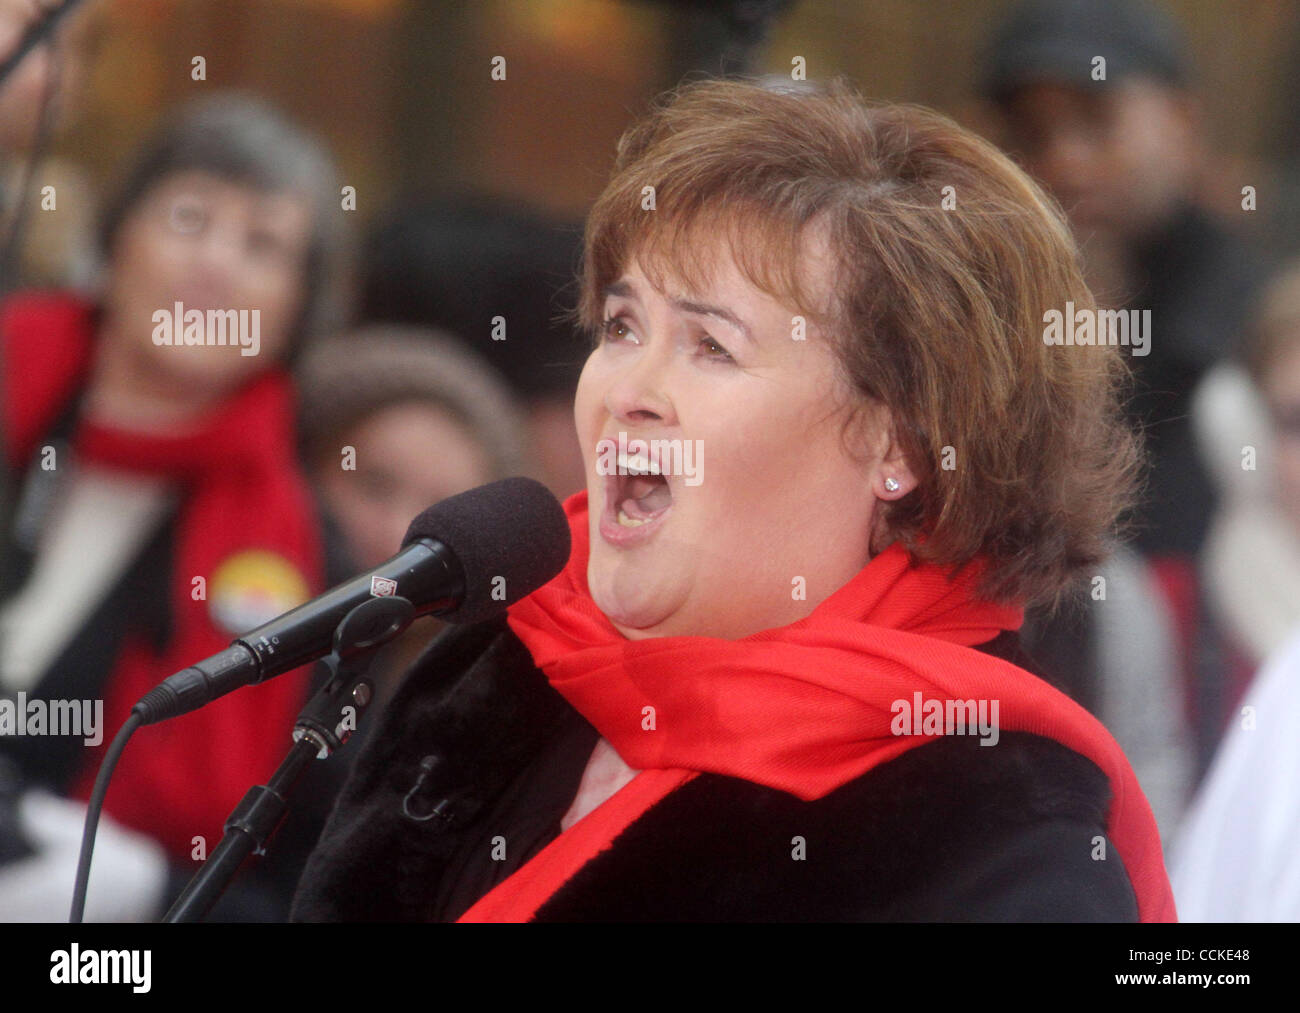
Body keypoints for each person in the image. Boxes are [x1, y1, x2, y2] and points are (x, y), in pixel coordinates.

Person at [291, 77, 1175, 922]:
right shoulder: (498, 661)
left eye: (710, 345)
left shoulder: (992, 821)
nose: (627, 387)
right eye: (623, 324)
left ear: (898, 443)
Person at [0, 92, 349, 920]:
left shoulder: (311, 562)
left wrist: (144, 897)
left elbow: (301, 886)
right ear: (115, 238)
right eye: (190, 218)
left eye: (263, 243)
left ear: (299, 312)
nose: (216, 265)